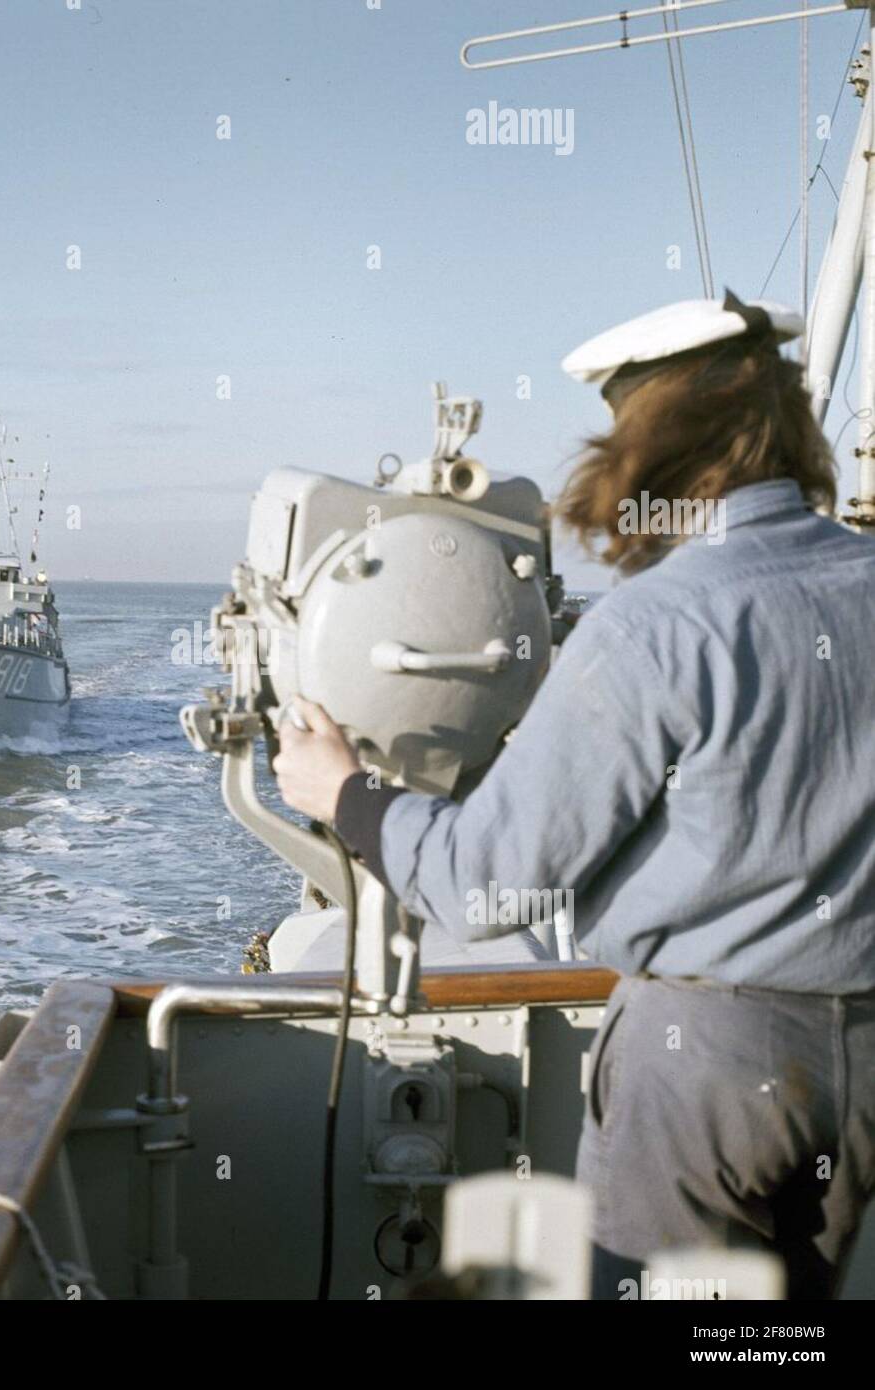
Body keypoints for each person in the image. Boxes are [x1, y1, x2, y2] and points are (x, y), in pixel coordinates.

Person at [272, 292, 875, 1300]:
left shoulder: (654, 625)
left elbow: (485, 887)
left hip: (709, 1073)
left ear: (648, 444)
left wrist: (347, 796)